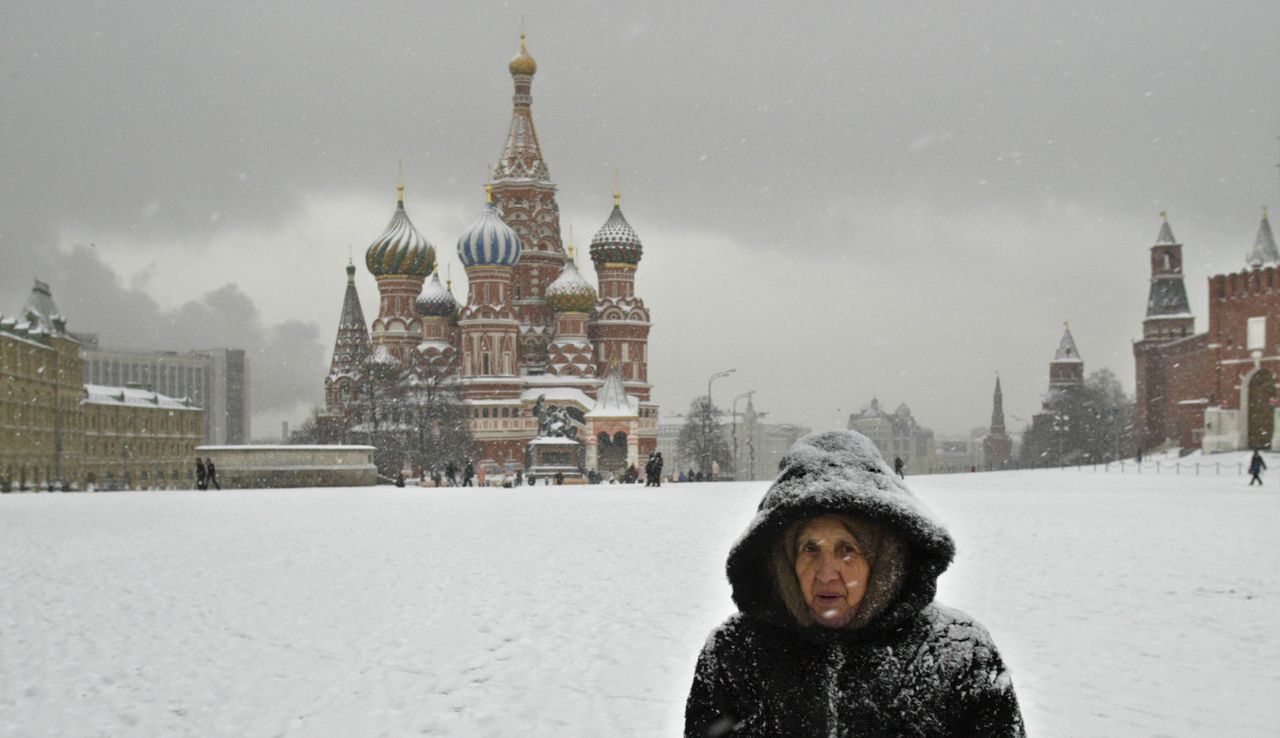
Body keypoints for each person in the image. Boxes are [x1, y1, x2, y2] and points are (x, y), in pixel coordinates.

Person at [685, 430, 1024, 736]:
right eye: (809, 549)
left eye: (846, 549)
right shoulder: (736, 654)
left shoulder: (959, 654)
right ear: (786, 561)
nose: (826, 573)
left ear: (882, 559)